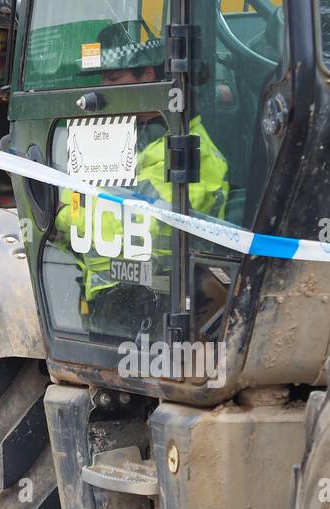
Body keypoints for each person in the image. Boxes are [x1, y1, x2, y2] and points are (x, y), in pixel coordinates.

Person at [53, 21, 228, 333]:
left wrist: (75, 216)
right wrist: (77, 214)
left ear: (147, 77)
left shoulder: (192, 149)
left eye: (114, 77)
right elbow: (71, 209)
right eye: (102, 78)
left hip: (159, 300)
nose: (103, 89)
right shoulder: (110, 139)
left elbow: (149, 222)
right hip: (105, 301)